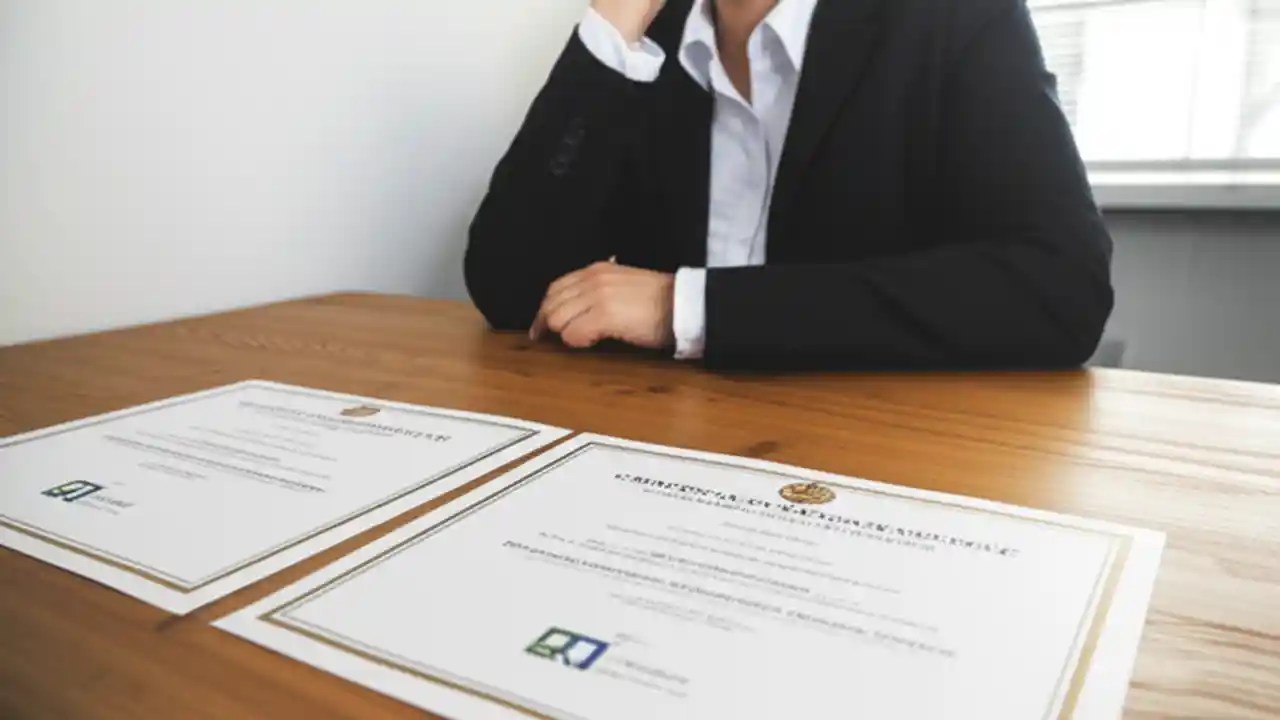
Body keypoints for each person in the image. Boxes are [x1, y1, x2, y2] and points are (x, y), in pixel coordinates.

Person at [465, 0, 1114, 370]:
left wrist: (683, 308)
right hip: (659, 451)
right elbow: (510, 284)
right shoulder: (645, 45)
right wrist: (612, 23)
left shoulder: (953, 18)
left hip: (877, 466)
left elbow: (1059, 290)